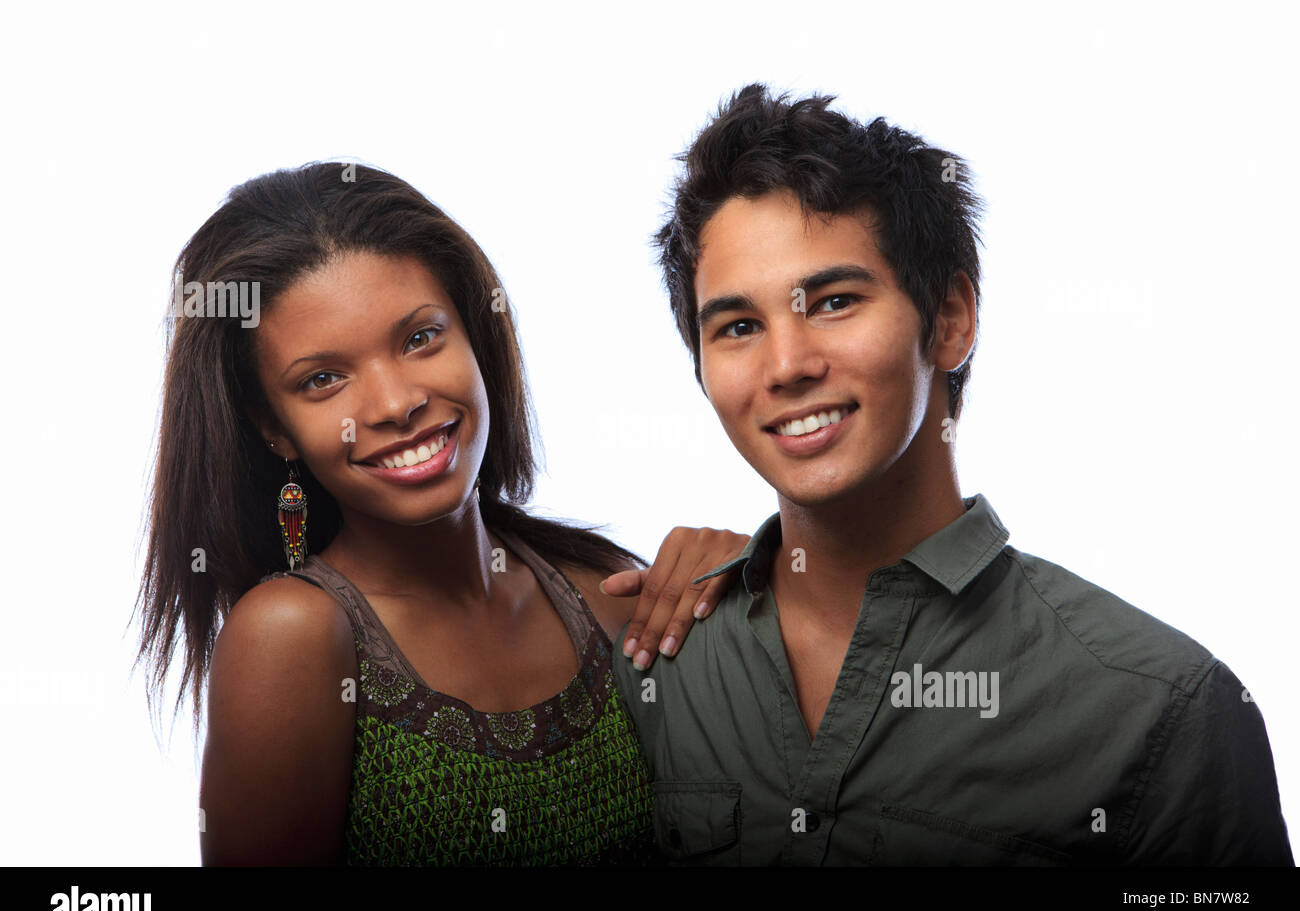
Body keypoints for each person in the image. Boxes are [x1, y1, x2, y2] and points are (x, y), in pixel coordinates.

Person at [612, 84, 1293, 865]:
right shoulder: (660, 665)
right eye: (737, 327)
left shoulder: (1162, 708)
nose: (787, 365)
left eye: (834, 302)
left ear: (950, 319)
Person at [132, 162, 748, 865]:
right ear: (273, 428)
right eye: (324, 379)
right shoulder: (292, 637)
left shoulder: (598, 590)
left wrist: (749, 583)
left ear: (475, 337)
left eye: (421, 338)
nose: (396, 403)